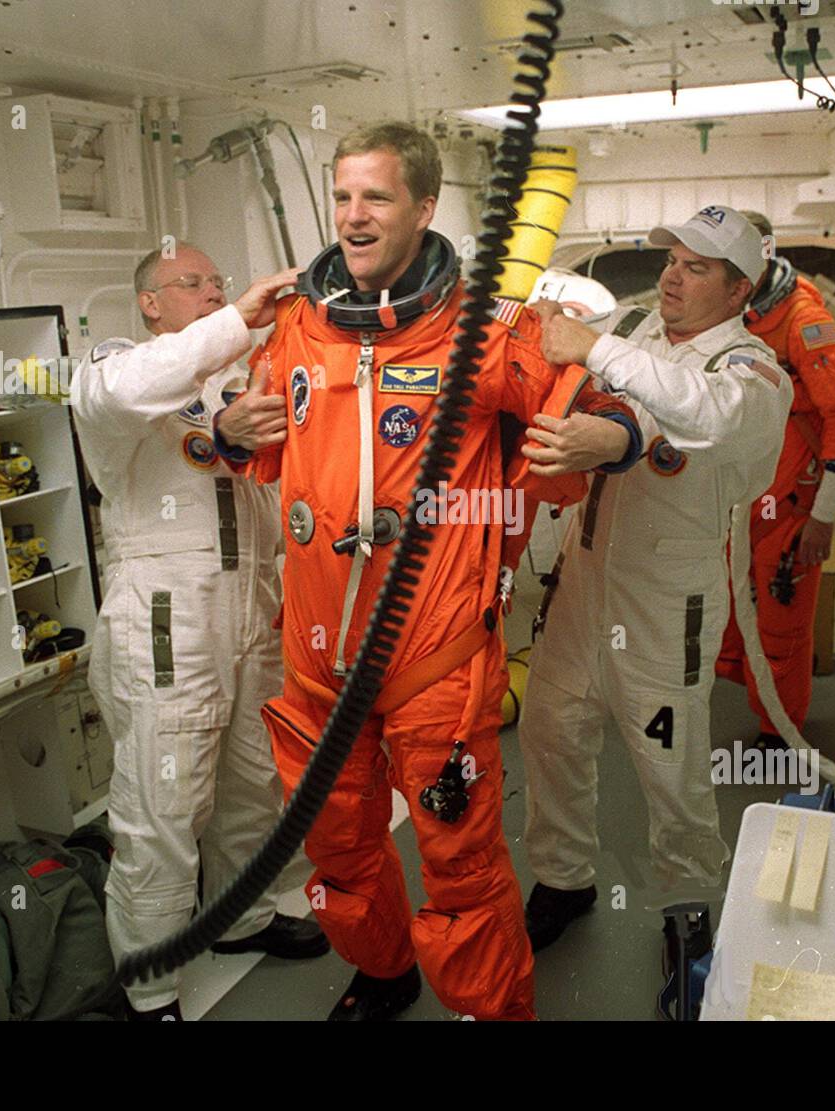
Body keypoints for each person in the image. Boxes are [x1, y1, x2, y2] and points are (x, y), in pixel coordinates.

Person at [214, 121, 640, 1020]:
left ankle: (492, 1011)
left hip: (430, 664)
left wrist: (618, 434)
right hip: (320, 666)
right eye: (342, 196)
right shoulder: (298, 326)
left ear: (423, 207)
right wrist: (224, 434)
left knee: (462, 865)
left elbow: (590, 398)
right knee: (337, 848)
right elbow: (249, 428)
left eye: (376, 196)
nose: (353, 215)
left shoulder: (484, 331)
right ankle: (383, 971)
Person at [519, 205, 794, 950]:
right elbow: (623, 405)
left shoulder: (755, 372)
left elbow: (699, 414)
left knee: (669, 763)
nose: (673, 273)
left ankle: (689, 901)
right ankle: (563, 874)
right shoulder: (640, 333)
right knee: (551, 728)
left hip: (668, 598)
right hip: (586, 577)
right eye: (671, 259)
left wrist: (597, 354)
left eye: (697, 266)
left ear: (739, 290)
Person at [70, 244, 327, 1022]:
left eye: (218, 282)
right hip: (166, 614)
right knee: (163, 805)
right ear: (150, 302)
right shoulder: (117, 369)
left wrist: (241, 427)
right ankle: (148, 990)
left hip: (247, 603)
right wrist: (235, 322)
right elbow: (130, 395)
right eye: (195, 283)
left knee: (254, 785)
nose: (213, 292)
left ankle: (242, 918)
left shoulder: (229, 382)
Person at [714, 211, 835, 750]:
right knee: (733, 606)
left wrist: (822, 517)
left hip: (790, 504)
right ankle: (756, 696)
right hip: (738, 496)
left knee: (782, 618)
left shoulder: (802, 322)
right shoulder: (728, 312)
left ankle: (779, 732)